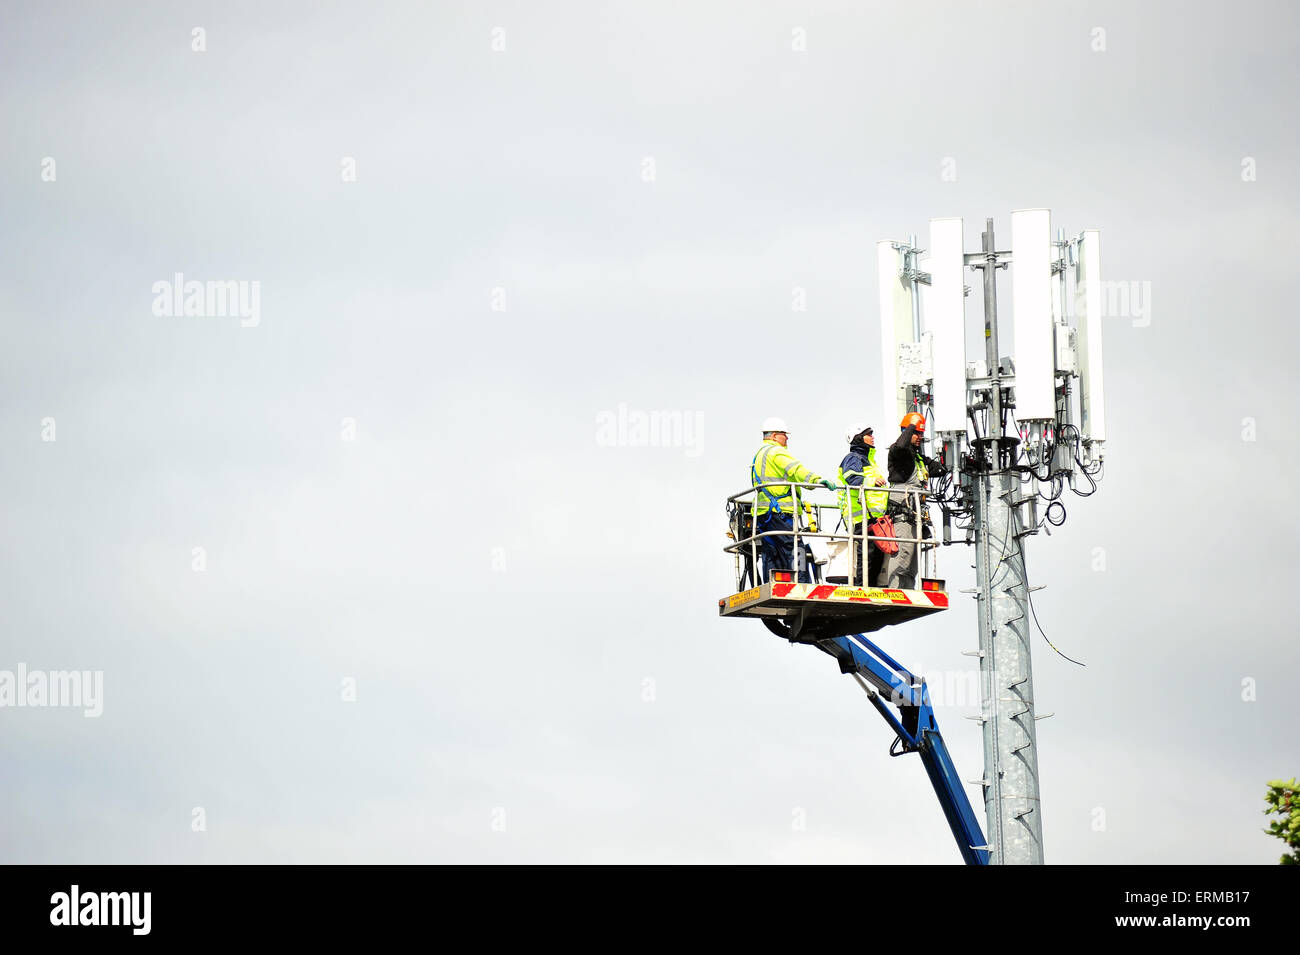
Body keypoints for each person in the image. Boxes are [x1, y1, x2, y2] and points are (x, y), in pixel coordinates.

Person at [750, 417, 835, 583]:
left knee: (772, 552)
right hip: (779, 512)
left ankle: (773, 584)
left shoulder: (759, 455)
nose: (787, 438)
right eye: (784, 434)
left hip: (764, 514)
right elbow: (796, 470)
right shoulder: (776, 452)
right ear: (774, 436)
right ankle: (803, 586)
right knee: (796, 549)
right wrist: (816, 480)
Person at [884, 412, 944, 589]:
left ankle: (907, 590)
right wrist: (911, 427)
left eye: (921, 434)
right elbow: (900, 446)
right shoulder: (898, 454)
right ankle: (895, 590)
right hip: (902, 515)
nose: (919, 437)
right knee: (902, 557)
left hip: (915, 517)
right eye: (916, 434)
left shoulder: (919, 459)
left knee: (912, 561)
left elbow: (940, 469)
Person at [837, 424, 890, 588]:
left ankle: (872, 587)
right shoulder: (853, 458)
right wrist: (871, 481)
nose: (873, 437)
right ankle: (862, 588)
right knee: (866, 556)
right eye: (868, 434)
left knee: (877, 557)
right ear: (858, 438)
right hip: (861, 518)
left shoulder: (869, 461)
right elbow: (851, 478)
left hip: (874, 519)